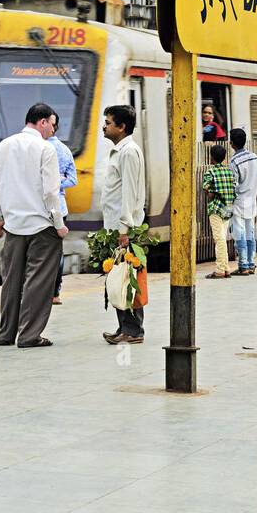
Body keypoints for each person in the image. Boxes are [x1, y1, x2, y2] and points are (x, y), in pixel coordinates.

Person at [0, 103, 66, 349]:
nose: (53, 129)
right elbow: (51, 192)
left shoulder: (4, 145)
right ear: (42, 122)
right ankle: (30, 335)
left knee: (11, 280)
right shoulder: (46, 149)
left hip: (13, 225)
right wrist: (59, 222)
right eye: (52, 124)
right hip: (42, 226)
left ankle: (6, 334)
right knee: (38, 281)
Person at [100, 104, 146, 345]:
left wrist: (124, 229)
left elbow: (129, 192)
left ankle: (133, 330)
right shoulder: (121, 151)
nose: (104, 127)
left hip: (123, 229)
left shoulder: (128, 152)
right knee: (119, 278)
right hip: (116, 226)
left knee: (126, 279)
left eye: (108, 122)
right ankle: (125, 327)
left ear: (121, 126)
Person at [47, 116, 79, 306]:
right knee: (56, 251)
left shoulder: (39, 148)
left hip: (44, 207)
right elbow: (73, 180)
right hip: (60, 206)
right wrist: (58, 183)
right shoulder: (65, 149)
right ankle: (54, 292)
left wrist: (51, 184)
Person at [228, 127, 257, 276]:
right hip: (252, 199)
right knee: (250, 232)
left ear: (232, 143)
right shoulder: (255, 158)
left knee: (239, 233)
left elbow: (233, 184)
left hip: (239, 201)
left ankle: (243, 265)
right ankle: (251, 263)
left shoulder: (234, 161)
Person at [202, 144, 236, 279]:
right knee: (223, 237)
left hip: (216, 208)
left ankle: (220, 269)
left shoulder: (210, 173)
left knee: (219, 239)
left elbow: (209, 193)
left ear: (211, 158)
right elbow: (234, 189)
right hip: (228, 208)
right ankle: (226, 267)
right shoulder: (229, 172)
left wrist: (211, 192)